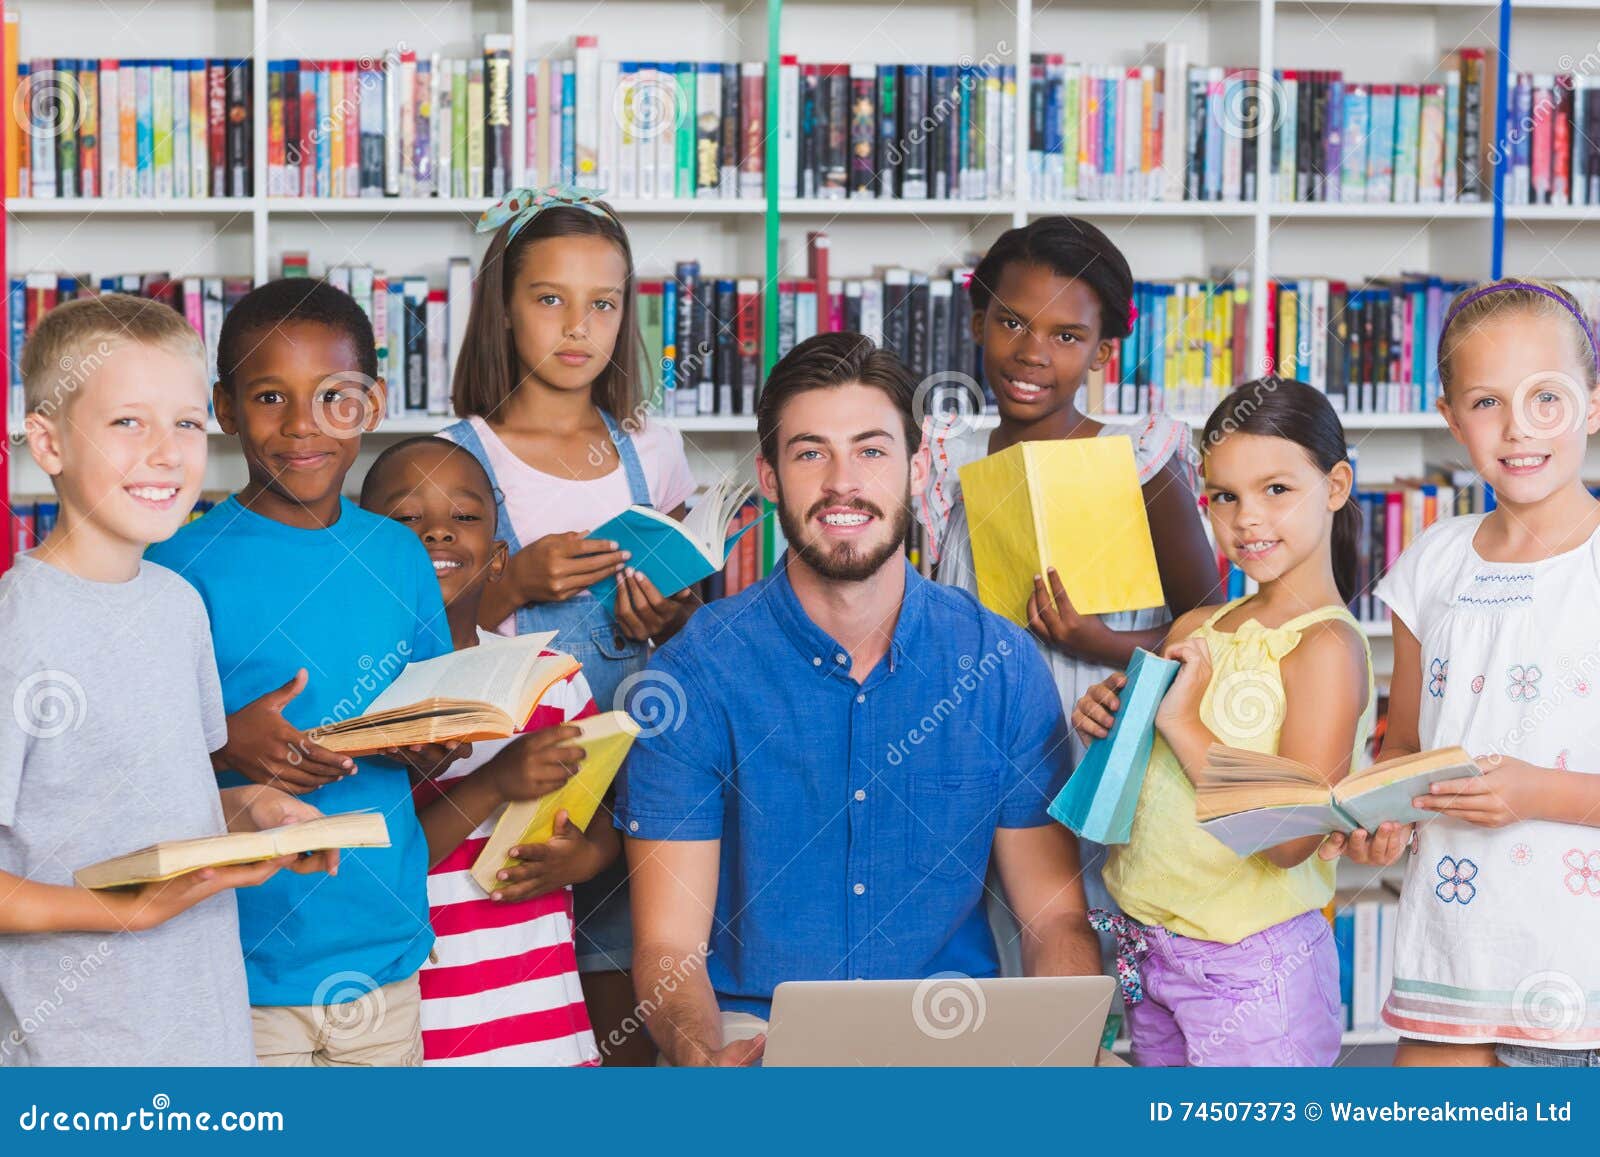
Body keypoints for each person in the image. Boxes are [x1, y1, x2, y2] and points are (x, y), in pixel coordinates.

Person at [616, 331, 1101, 1066]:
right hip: (758, 1038)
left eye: (871, 451)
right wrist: (698, 1052)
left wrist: (1065, 1051)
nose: (843, 482)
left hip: (955, 1037)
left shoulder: (998, 663)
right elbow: (669, 944)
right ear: (770, 477)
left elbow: (1055, 915)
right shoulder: (694, 675)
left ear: (915, 467)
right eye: (811, 452)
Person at [0, 294, 332, 1065]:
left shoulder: (178, 605)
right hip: (76, 1061)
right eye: (127, 422)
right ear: (46, 442)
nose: (166, 451)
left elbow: (158, 801)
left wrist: (253, 808)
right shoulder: (19, 631)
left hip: (208, 1042)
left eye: (186, 423)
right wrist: (124, 913)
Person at [148, 280, 457, 1065]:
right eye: (269, 397)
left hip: (382, 947)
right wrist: (224, 745)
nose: (301, 427)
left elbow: (431, 708)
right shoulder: (174, 568)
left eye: (333, 398)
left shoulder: (399, 555)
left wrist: (435, 740)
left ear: (374, 403)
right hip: (235, 956)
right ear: (224, 408)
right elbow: (127, 768)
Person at [441, 186, 697, 1063]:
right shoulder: (453, 456)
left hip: (634, 778)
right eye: (549, 299)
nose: (577, 325)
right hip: (503, 784)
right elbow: (414, 641)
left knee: (626, 1006)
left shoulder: (650, 448)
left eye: (604, 303)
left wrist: (673, 609)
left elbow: (692, 609)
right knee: (522, 1014)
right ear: (504, 312)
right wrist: (508, 582)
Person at [928, 216, 1221, 980]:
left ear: (1103, 351)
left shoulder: (1138, 461)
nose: (1032, 353)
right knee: (983, 969)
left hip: (1102, 759)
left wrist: (1097, 642)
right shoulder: (944, 464)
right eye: (1013, 322)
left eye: (1067, 336)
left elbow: (1216, 633)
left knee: (1093, 973)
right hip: (973, 764)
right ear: (979, 320)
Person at [1323, 279, 1600, 1067]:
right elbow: (1407, 744)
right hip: (1451, 968)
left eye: (1546, 397)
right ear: (1450, 417)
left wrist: (1536, 792)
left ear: (1593, 404)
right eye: (1486, 402)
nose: (1519, 428)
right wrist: (1384, 818)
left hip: (1581, 985)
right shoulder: (1433, 563)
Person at [1074, 378, 1374, 1065]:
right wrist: (1113, 721)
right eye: (1224, 496)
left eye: (1276, 489)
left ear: (1335, 486)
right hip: (1148, 949)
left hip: (1253, 967)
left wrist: (1181, 725)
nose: (1246, 519)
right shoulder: (1197, 625)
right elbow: (1148, 788)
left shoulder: (1325, 647)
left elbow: (1290, 839)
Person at [360, 436, 616, 1065]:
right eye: (407, 518)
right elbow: (377, 870)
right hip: (421, 1030)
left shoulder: (552, 679)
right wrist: (494, 783)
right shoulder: (358, 696)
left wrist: (578, 861)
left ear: (499, 558)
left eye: (465, 517)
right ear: (362, 549)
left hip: (545, 1025)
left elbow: (604, 822)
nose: (440, 533)